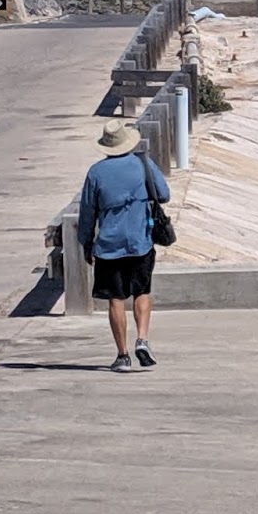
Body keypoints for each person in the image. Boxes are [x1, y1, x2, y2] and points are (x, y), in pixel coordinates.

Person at [76, 119, 171, 372]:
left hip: (108, 246)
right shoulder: (143, 164)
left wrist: (85, 243)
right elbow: (164, 194)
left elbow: (87, 213)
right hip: (141, 241)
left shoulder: (96, 172)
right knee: (142, 292)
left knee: (115, 299)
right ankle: (143, 339)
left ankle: (122, 356)